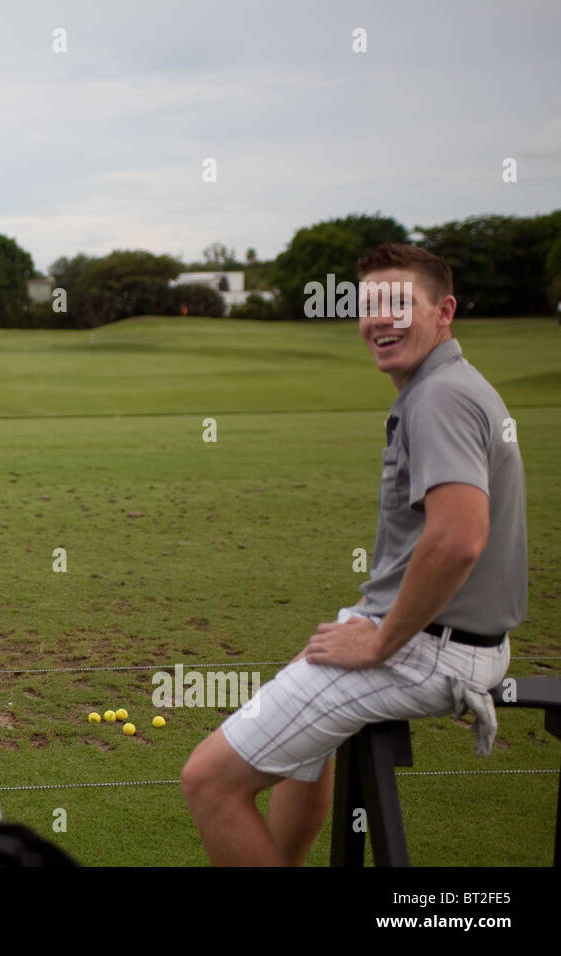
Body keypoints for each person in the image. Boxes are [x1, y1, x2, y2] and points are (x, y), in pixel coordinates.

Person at [181, 242, 527, 865]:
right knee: (302, 744)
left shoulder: (440, 397)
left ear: (443, 311)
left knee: (207, 781)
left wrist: (380, 641)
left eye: (400, 303)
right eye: (370, 306)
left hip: (426, 650)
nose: (381, 319)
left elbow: (459, 537)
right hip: (447, 640)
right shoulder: (445, 385)